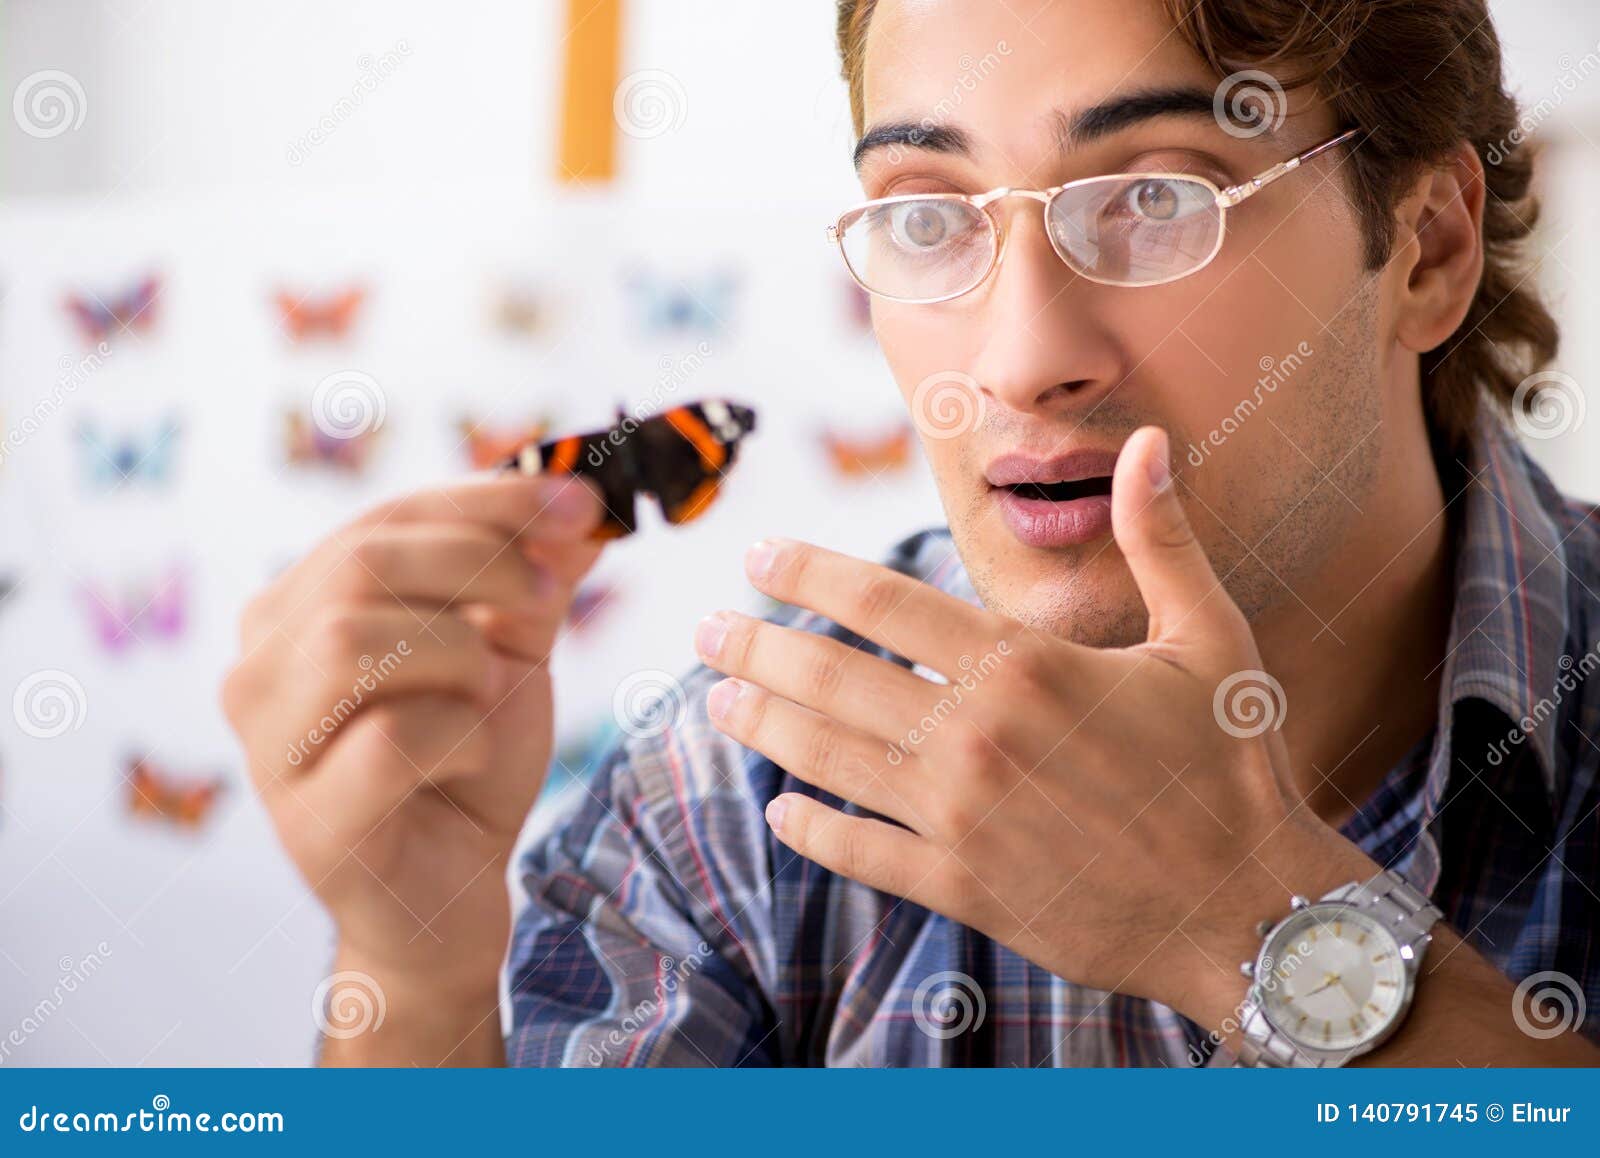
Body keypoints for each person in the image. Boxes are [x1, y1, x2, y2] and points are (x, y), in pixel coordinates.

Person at [223, 0, 1600, 1066]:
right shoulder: (725, 809)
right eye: (928, 216)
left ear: (1425, 247)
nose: (1016, 361)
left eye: (1156, 197)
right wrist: (418, 981)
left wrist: (1240, 916)